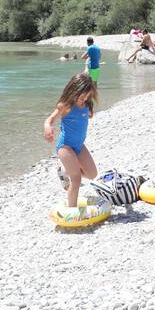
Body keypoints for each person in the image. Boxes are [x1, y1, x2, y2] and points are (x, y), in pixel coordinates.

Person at [43, 73, 98, 209]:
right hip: (65, 146)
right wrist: (48, 127)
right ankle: (72, 210)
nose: (83, 99)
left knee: (92, 174)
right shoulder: (65, 106)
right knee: (76, 179)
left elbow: (86, 116)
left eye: (87, 96)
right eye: (81, 97)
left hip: (79, 145)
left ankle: (64, 171)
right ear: (73, 91)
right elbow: (50, 119)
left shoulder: (86, 104)